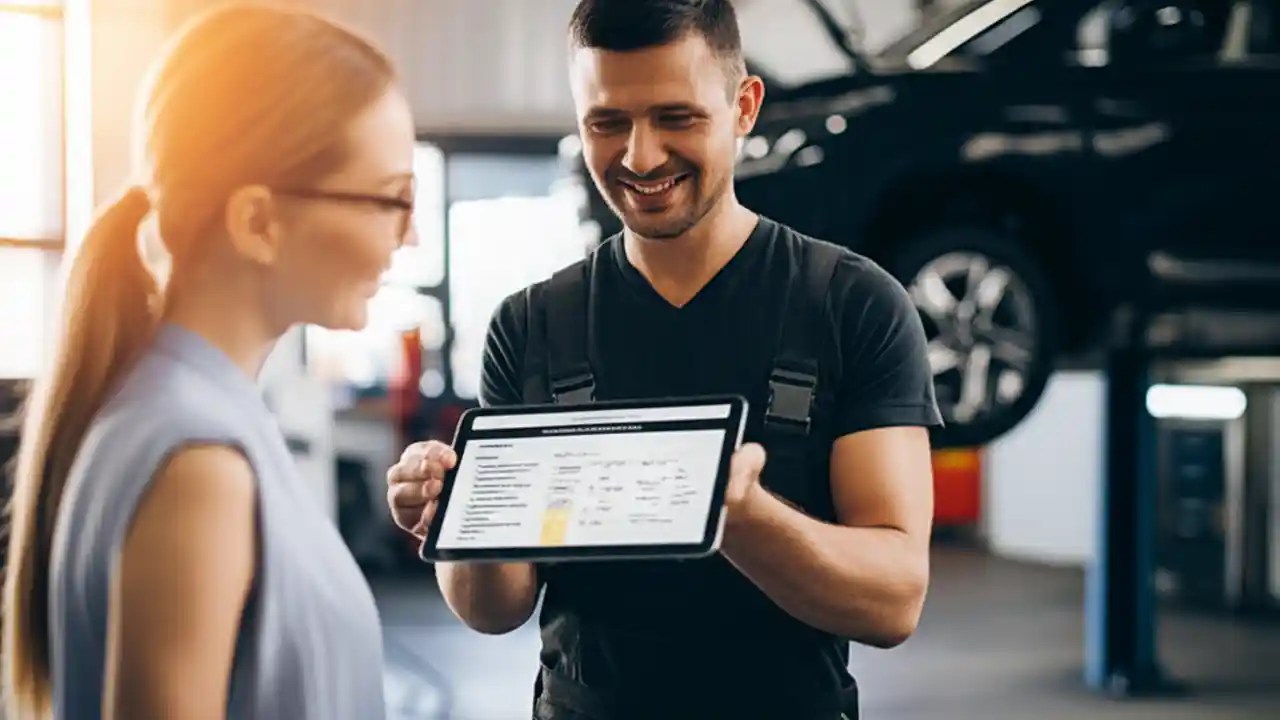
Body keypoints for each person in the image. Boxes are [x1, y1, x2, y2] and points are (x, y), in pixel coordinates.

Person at [386, 0, 942, 717]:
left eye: (676, 117)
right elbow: (493, 608)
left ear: (743, 107)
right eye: (606, 122)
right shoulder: (533, 327)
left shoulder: (853, 306)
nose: (639, 157)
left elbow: (893, 599)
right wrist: (456, 515)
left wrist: (736, 514)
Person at [2, 4, 416, 718]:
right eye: (390, 200)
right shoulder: (199, 461)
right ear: (257, 221)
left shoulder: (176, 414)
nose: (405, 239)